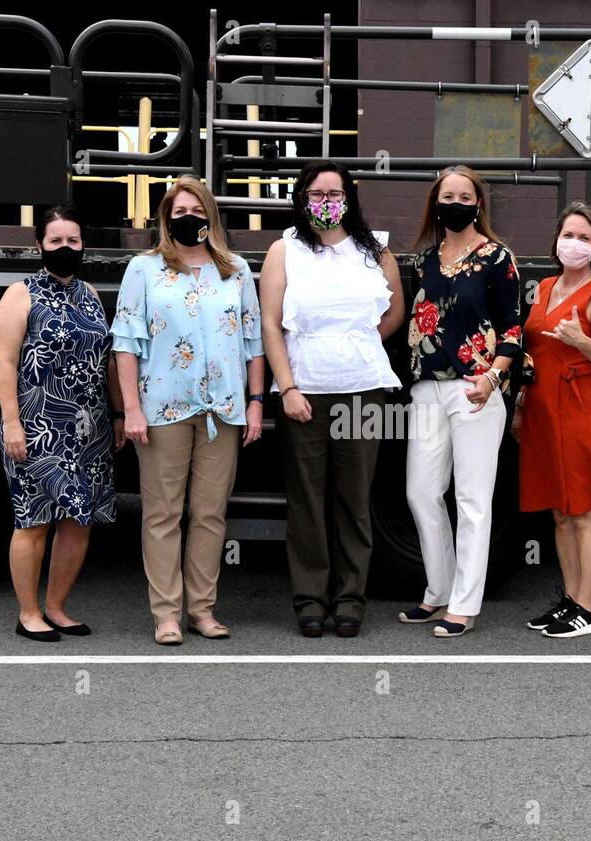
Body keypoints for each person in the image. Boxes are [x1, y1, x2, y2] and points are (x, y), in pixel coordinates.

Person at [112, 176, 264, 646]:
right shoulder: (144, 268)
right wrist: (131, 409)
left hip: (224, 410)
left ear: (211, 217)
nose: (188, 219)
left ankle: (202, 608)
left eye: (196, 210)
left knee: (210, 513)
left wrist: (256, 403)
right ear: (166, 218)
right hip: (162, 409)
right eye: (178, 212)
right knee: (162, 513)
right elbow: (125, 342)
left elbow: (253, 342)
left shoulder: (235, 270)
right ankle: (166, 615)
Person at [260, 160, 405, 638]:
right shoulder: (285, 250)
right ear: (302, 198)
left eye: (334, 192)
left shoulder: (374, 249)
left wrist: (357, 345)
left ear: (350, 197)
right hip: (306, 393)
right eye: (317, 193)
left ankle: (349, 598)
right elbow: (271, 323)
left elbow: (394, 311)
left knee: (354, 500)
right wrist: (288, 387)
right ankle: (310, 599)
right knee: (306, 501)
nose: (326, 201)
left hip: (362, 391)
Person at [399, 165, 522, 638]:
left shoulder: (497, 258)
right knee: (421, 492)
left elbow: (513, 327)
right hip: (427, 385)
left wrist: (493, 377)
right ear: (436, 203)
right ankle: (439, 590)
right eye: (447, 195)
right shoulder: (423, 262)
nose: (455, 202)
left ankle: (464, 605)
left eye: (464, 195)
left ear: (477, 204)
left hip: (477, 387)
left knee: (472, 499)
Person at [0, 205, 123, 642]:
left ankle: (57, 607)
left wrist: (119, 413)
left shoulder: (89, 293)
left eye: (73, 241)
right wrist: (12, 422)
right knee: (33, 520)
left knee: (78, 521)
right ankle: (28, 612)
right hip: (36, 427)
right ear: (39, 246)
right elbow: (5, 363)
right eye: (56, 241)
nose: (65, 248)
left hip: (89, 428)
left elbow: (106, 361)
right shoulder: (20, 294)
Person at [515, 202, 591, 638]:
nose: (574, 243)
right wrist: (523, 406)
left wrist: (582, 341)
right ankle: (570, 599)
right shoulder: (544, 287)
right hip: (544, 405)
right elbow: (533, 353)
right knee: (560, 513)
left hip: (584, 407)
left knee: (584, 510)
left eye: (583, 237)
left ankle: (587, 607)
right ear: (556, 241)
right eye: (568, 235)